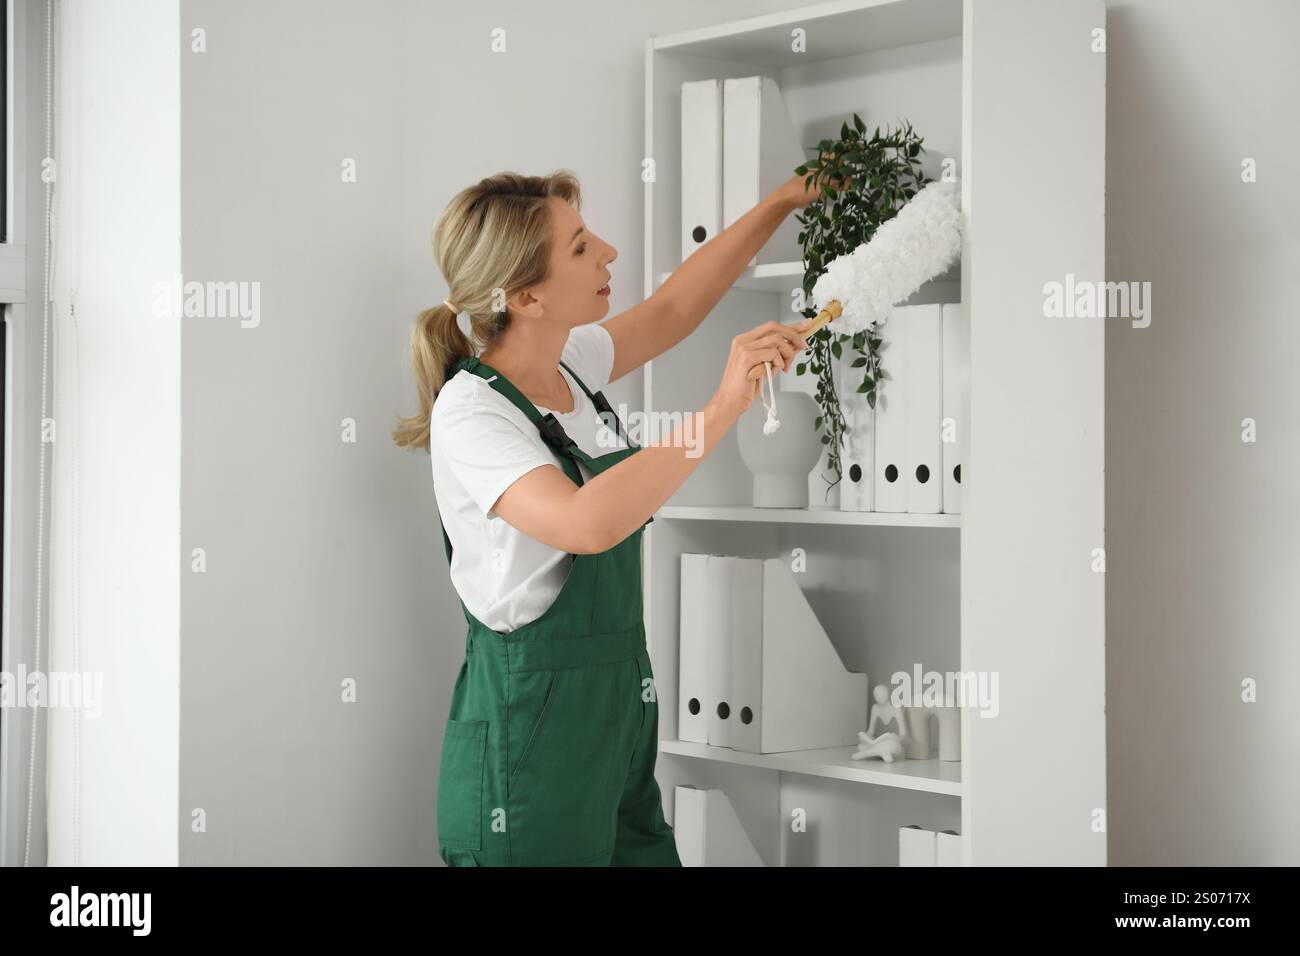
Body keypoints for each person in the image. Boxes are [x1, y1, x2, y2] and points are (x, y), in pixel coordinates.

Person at [394, 168, 825, 866]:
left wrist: (782, 200)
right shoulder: (472, 413)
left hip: (620, 714)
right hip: (527, 744)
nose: (609, 254)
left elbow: (673, 309)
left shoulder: (572, 363)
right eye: (581, 247)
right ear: (526, 294)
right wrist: (721, 410)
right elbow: (585, 523)